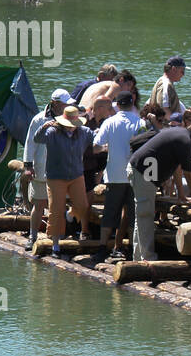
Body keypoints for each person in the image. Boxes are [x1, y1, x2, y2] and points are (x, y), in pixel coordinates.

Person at [129, 114, 191, 262]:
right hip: (143, 172)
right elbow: (189, 175)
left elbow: (177, 168)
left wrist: (181, 195)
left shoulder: (180, 134)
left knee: (143, 216)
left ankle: (139, 256)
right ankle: (147, 258)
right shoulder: (185, 141)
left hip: (143, 172)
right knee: (145, 216)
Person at [32, 105, 97, 259]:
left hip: (76, 175)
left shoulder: (84, 132)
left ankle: (70, 215)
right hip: (56, 176)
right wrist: (44, 127)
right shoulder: (52, 132)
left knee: (83, 205)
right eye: (69, 126)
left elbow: (97, 138)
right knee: (55, 209)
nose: (71, 129)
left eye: (74, 126)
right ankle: (55, 245)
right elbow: (37, 138)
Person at [92, 91, 143, 260]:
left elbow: (96, 147)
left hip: (114, 174)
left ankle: (101, 248)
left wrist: (108, 148)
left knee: (110, 212)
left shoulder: (109, 122)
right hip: (135, 175)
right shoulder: (141, 122)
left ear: (118, 105)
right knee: (132, 213)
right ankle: (131, 249)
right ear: (132, 103)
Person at [22, 88, 72, 243]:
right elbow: (30, 143)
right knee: (39, 204)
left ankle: (56, 237)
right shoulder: (39, 119)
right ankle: (33, 236)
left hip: (60, 171)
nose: (67, 107)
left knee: (59, 207)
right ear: (55, 103)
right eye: (64, 104)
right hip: (41, 169)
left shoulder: (68, 119)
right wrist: (28, 166)